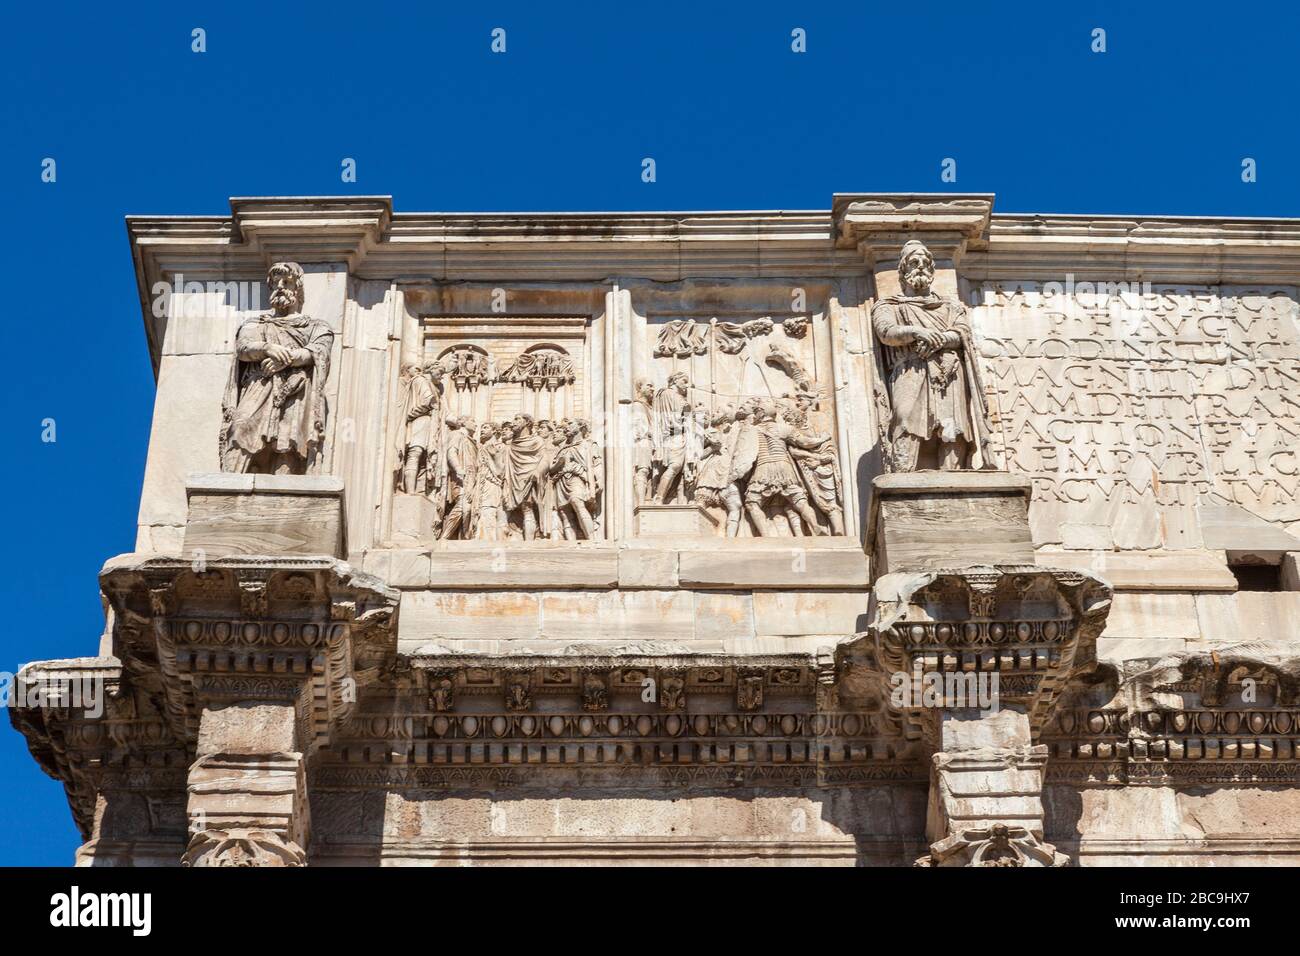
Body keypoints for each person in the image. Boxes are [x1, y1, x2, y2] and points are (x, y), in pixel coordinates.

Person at [220, 262, 333, 474]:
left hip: (295, 389)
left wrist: (286, 358)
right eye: (275, 283)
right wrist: (267, 348)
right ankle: (229, 481)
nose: (280, 286)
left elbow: (319, 351)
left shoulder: (316, 326)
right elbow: (243, 347)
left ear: (297, 288)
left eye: (287, 282)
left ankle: (287, 493)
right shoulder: (256, 323)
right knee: (240, 427)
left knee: (288, 442)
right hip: (258, 384)